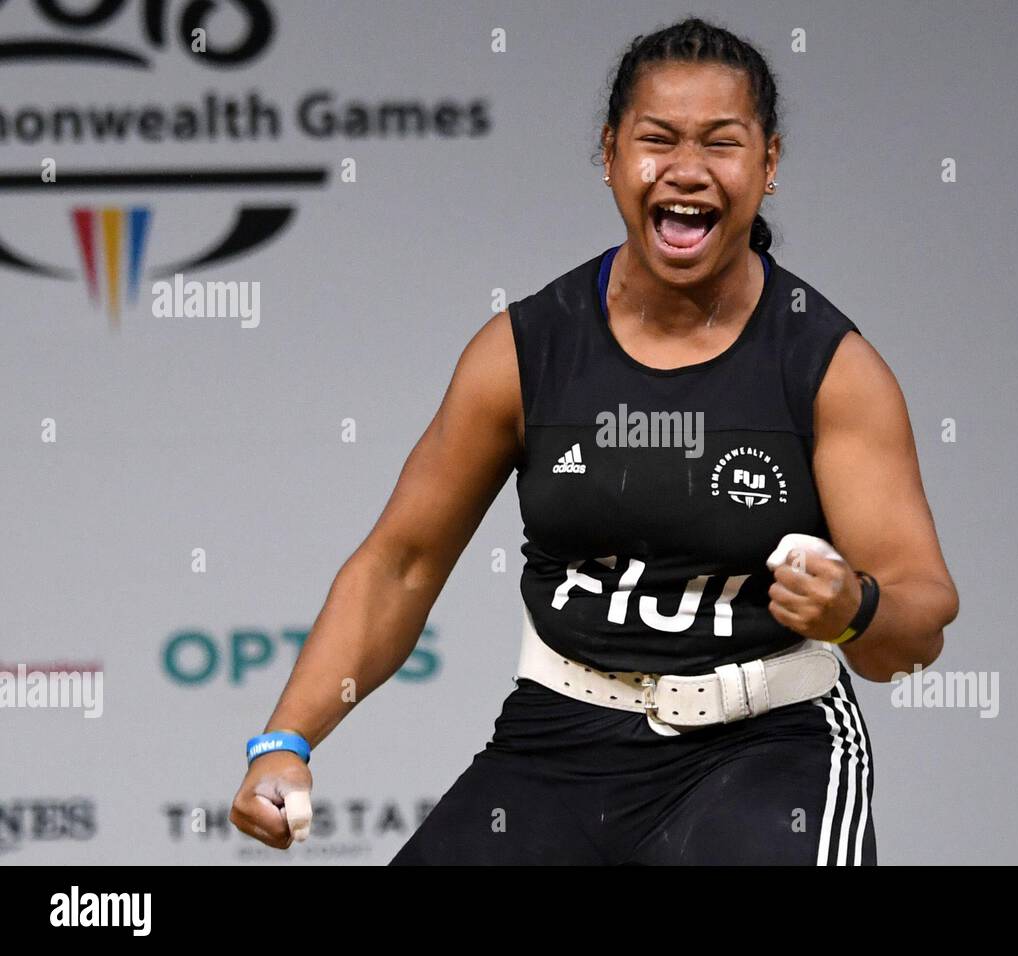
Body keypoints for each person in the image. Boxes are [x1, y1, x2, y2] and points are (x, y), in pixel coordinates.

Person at [229, 16, 958, 866]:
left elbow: (916, 627)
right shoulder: (524, 351)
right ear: (610, 153)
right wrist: (284, 741)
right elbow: (402, 563)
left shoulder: (830, 368)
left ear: (769, 164)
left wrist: (856, 611)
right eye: (658, 139)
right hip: (558, 741)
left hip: (768, 747)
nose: (687, 169)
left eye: (722, 143)